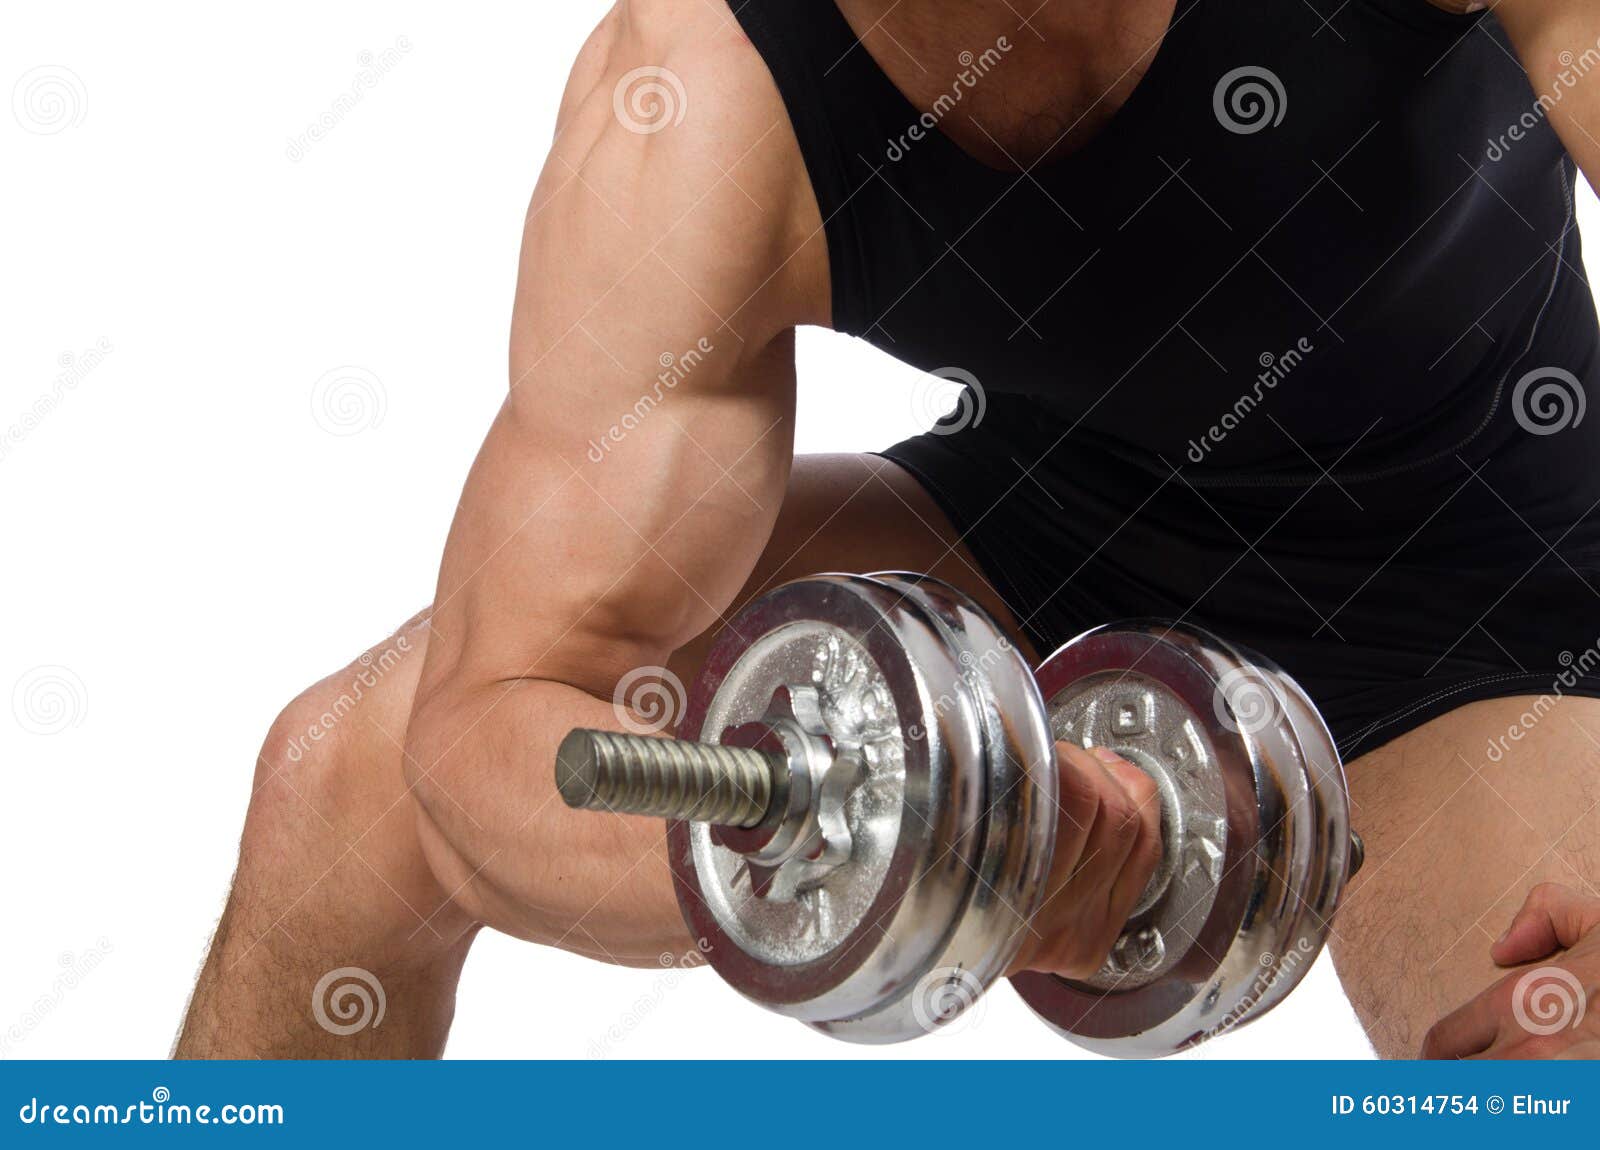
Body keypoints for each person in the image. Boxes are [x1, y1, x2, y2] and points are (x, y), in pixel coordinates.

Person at [176, 0, 1600, 1059]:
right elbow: (484, 736)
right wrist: (942, 857)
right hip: (1050, 529)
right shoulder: (695, 110)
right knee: (346, 781)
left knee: (1554, 1065)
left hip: (1487, 574)